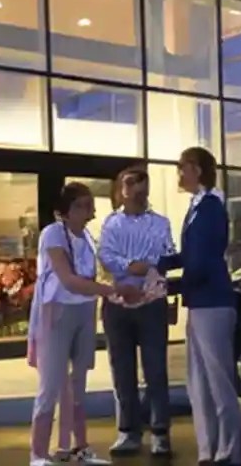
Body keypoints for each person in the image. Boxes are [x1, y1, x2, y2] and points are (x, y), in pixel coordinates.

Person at [27, 182, 139, 466]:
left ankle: (77, 447)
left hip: (84, 310)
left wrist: (117, 287)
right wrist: (110, 290)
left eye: (89, 204)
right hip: (57, 310)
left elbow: (91, 277)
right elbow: (68, 280)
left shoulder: (88, 237)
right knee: (51, 383)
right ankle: (38, 454)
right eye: (80, 204)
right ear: (66, 210)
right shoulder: (53, 233)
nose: (88, 209)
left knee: (78, 383)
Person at [157, 147, 241, 466]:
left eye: (183, 167)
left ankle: (229, 453)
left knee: (219, 383)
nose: (179, 173)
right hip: (199, 303)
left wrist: (170, 285)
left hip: (213, 302)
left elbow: (204, 261)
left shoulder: (211, 207)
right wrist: (161, 263)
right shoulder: (197, 206)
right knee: (198, 383)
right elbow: (190, 254)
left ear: (197, 169)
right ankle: (208, 451)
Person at [97, 164, 177, 456]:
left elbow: (167, 254)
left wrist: (143, 267)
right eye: (130, 187)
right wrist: (132, 266)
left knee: (156, 369)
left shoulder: (161, 223)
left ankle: (160, 433)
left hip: (152, 302)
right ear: (121, 190)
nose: (136, 193)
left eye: (141, 187)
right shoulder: (110, 224)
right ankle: (128, 432)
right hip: (117, 304)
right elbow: (105, 255)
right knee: (122, 371)